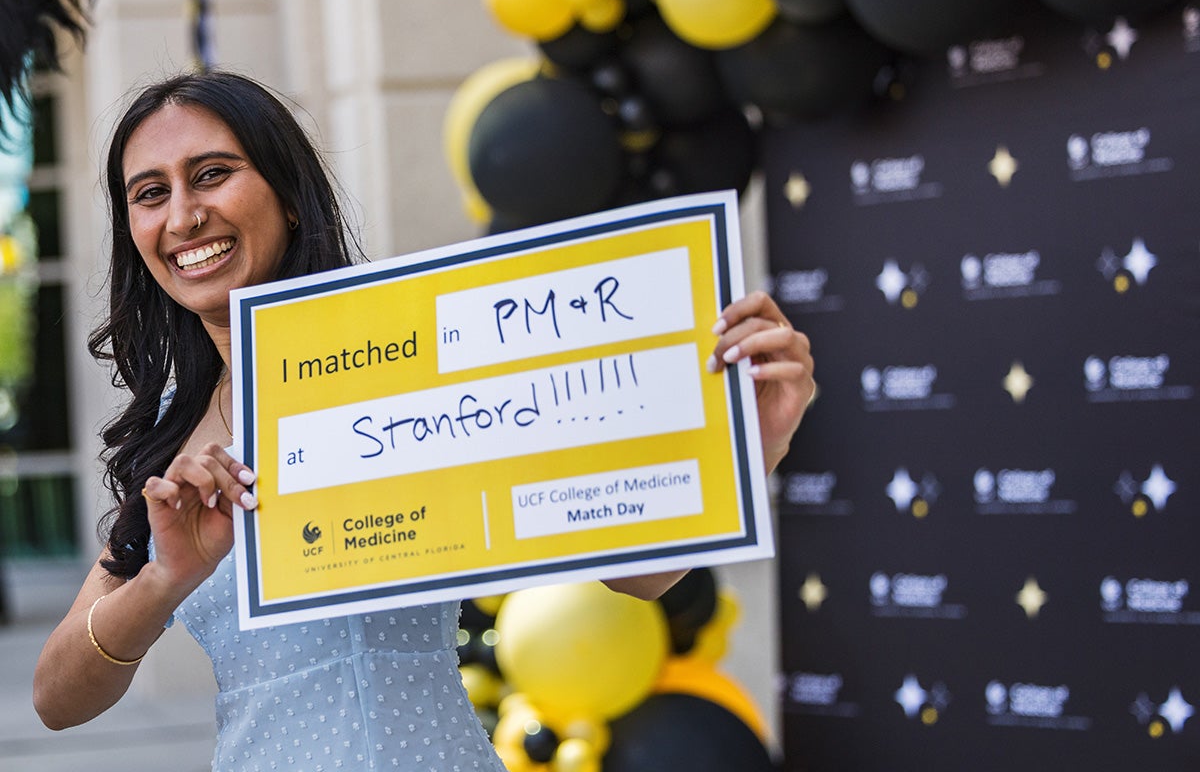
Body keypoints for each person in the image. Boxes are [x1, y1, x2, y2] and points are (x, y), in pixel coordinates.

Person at [32, 69, 816, 771]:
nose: (185, 215)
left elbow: (637, 573)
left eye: (212, 175)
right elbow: (57, 699)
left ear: (289, 199)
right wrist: (168, 577)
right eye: (151, 193)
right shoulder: (170, 445)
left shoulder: (411, 370)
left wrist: (755, 442)